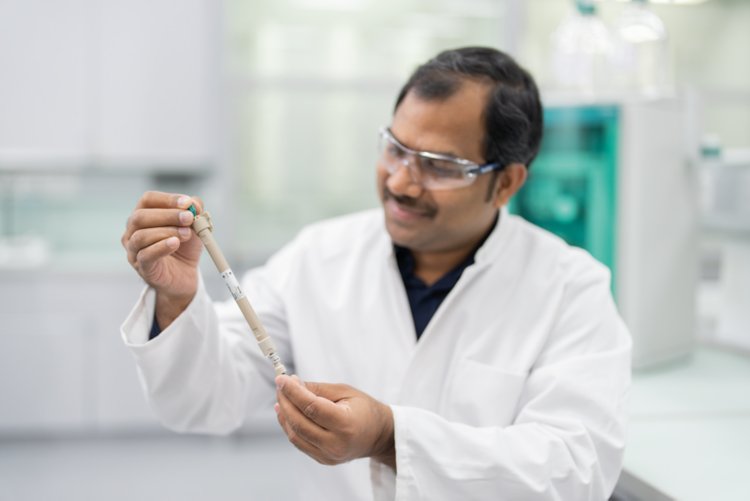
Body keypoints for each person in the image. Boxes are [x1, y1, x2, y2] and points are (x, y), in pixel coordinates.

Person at [120, 47, 631, 500]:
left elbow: (576, 472)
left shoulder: (569, 288)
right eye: (396, 148)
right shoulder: (319, 257)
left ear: (506, 183)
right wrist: (178, 298)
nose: (402, 182)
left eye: (439, 165)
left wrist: (391, 437)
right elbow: (204, 400)